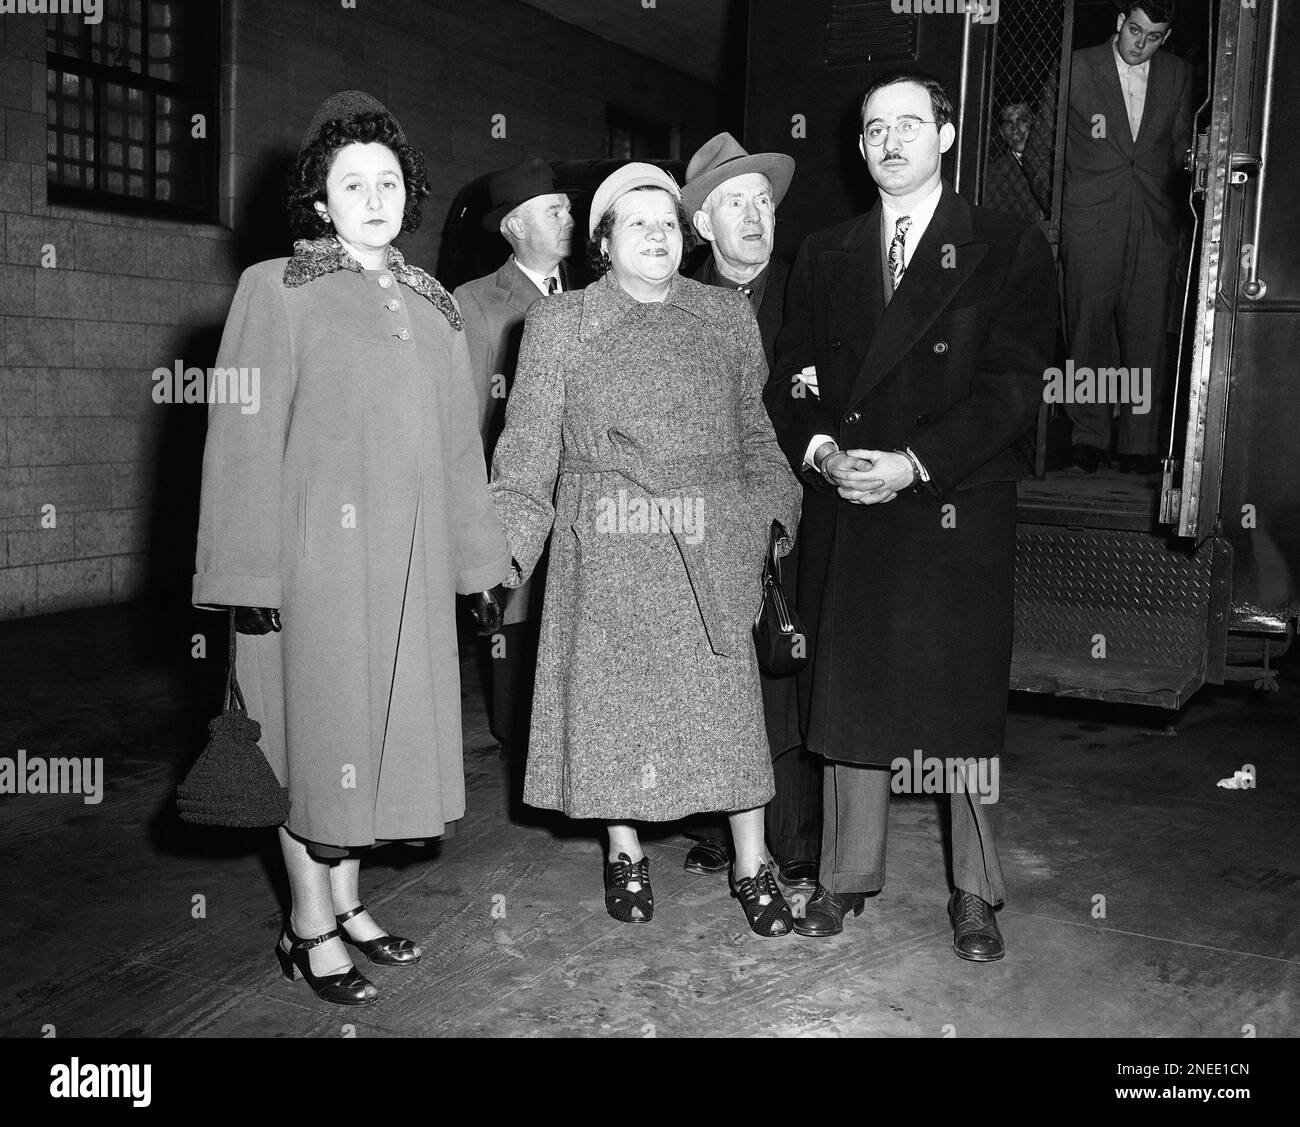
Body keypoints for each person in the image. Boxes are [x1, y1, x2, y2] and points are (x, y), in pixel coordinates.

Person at [193, 91, 511, 1005]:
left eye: (387, 182)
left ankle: (349, 900)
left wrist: (478, 564)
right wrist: (245, 577)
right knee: (310, 748)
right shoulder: (275, 290)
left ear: (406, 195)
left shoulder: (435, 306)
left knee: (370, 748)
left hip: (403, 578)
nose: (371, 197)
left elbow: (460, 452)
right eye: (350, 183)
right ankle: (308, 924)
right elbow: (241, 442)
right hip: (308, 576)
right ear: (320, 201)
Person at [765, 72, 1056, 959]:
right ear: (860, 149)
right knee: (851, 692)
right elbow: (792, 380)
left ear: (948, 133)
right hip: (853, 501)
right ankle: (847, 873)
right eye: (874, 129)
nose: (891, 141)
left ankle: (974, 892)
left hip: (951, 503)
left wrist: (914, 464)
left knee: (957, 705)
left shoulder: (1005, 242)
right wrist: (820, 454)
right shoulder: (826, 253)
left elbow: (1013, 390)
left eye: (909, 124)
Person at [489, 164, 803, 937]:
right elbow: (526, 456)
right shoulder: (559, 325)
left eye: (667, 221)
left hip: (711, 541)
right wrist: (498, 558)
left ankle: (751, 861)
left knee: (729, 720)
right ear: (603, 242)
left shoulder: (725, 316)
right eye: (637, 223)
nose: (658, 235)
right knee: (617, 713)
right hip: (609, 548)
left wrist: (769, 513)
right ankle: (624, 848)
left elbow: (759, 436)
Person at [677, 133, 819, 891]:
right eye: (737, 202)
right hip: (704, 516)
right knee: (710, 667)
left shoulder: (808, 290)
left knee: (781, 665)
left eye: (764, 200)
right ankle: (713, 825)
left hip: (788, 506)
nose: (757, 215)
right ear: (703, 224)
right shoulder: (677, 297)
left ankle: (791, 836)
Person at [454, 158, 574, 754]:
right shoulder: (475, 303)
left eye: (568, 208)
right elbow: (473, 417)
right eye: (554, 210)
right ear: (514, 228)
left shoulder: (597, 295)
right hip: (518, 496)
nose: (569, 218)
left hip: (583, 502)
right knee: (518, 640)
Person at [1059, 0, 1193, 474]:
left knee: (1146, 334)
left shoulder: (1178, 75)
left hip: (1154, 218)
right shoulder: (1076, 66)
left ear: (1166, 38)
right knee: (1087, 329)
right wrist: (1068, 206)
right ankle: (1088, 437)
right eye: (1135, 30)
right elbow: (1043, 151)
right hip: (1090, 218)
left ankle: (1138, 444)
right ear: (1120, 23)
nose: (1141, 44)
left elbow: (1179, 149)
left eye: (1153, 36)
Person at [983, 100, 1050, 223]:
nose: (1016, 129)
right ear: (1002, 133)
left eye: (1022, 120)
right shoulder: (994, 174)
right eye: (1009, 123)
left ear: (1035, 123)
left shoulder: (1053, 162)